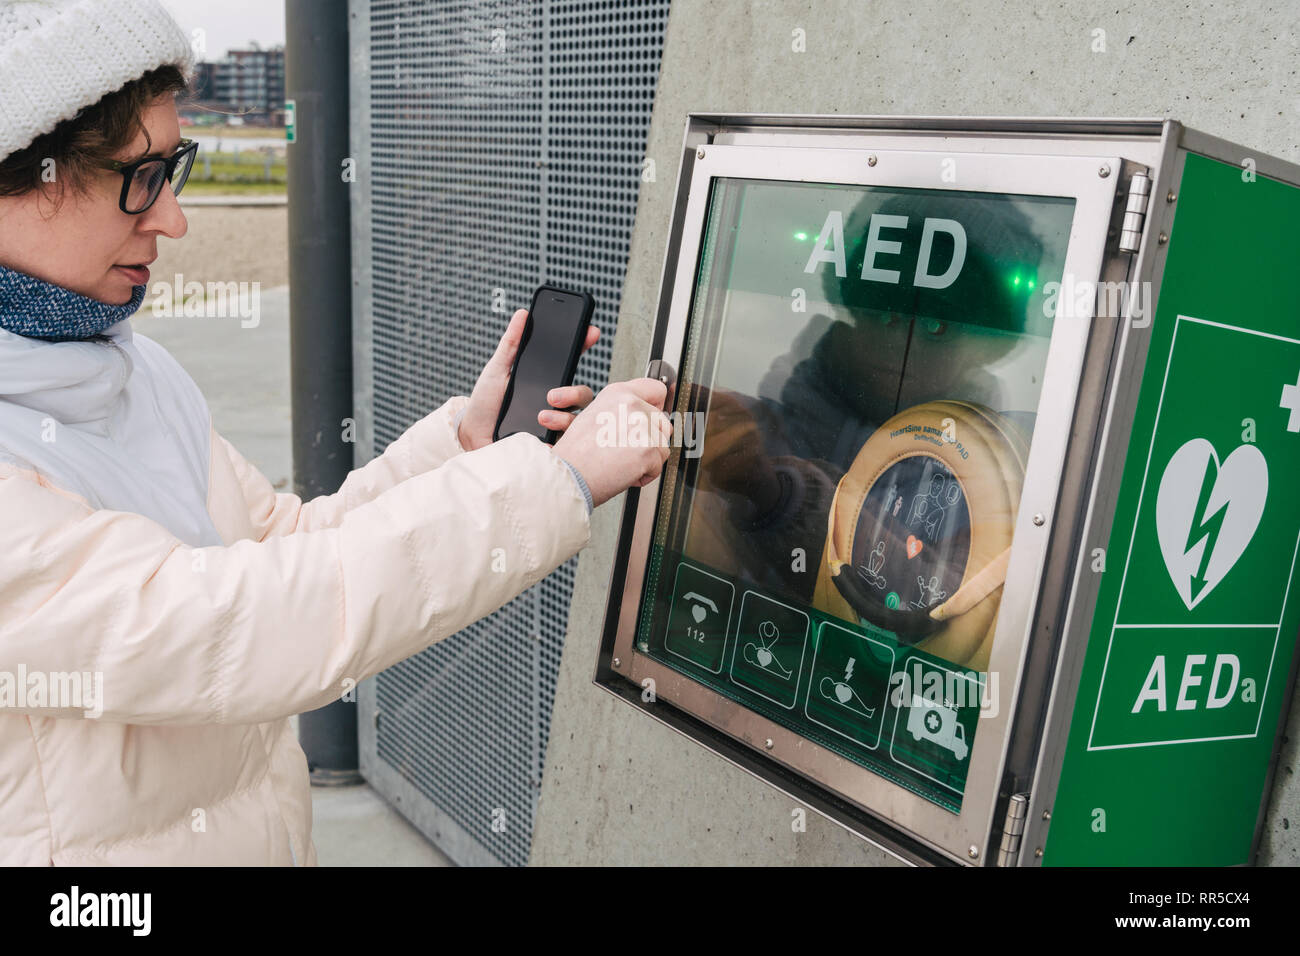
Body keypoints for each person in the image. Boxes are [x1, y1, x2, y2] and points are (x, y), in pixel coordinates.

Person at [0, 0, 670, 865]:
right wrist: (553, 487)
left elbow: (284, 543)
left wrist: (463, 448)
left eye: (177, 170)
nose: (173, 220)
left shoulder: (129, 369)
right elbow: (239, 626)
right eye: (140, 177)